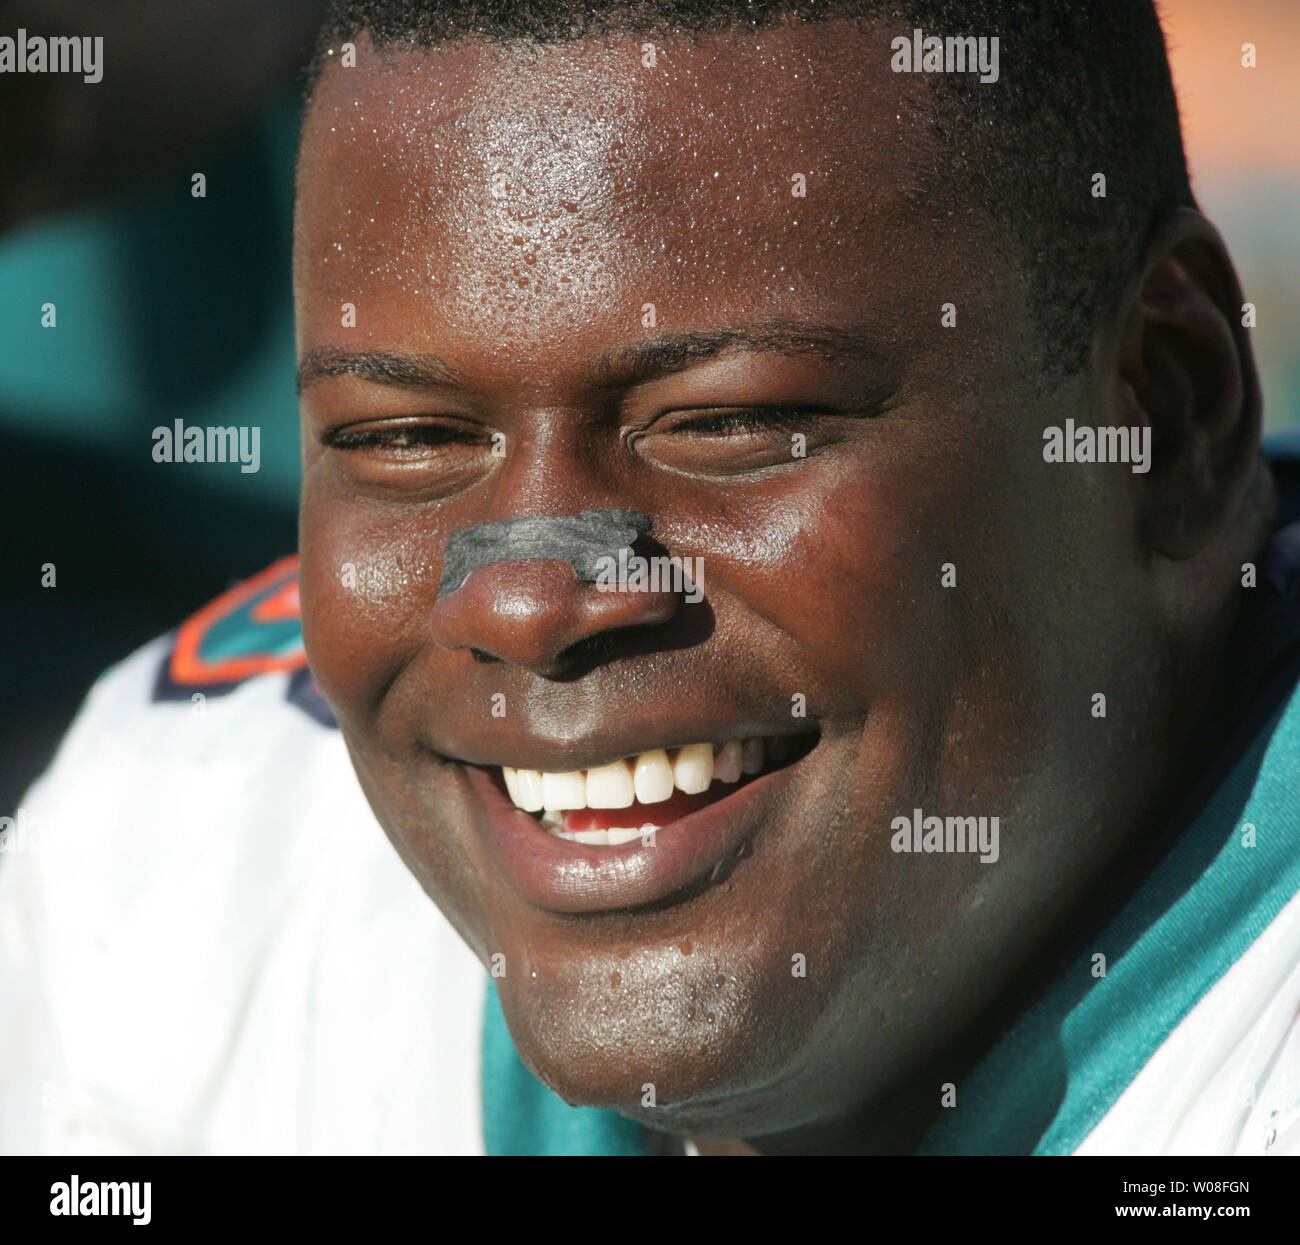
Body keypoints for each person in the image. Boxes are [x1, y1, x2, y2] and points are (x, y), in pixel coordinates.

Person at [3, 0, 1299, 1156]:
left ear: (1161, 419)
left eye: (724, 424)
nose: (529, 596)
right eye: (408, 440)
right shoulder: (181, 892)